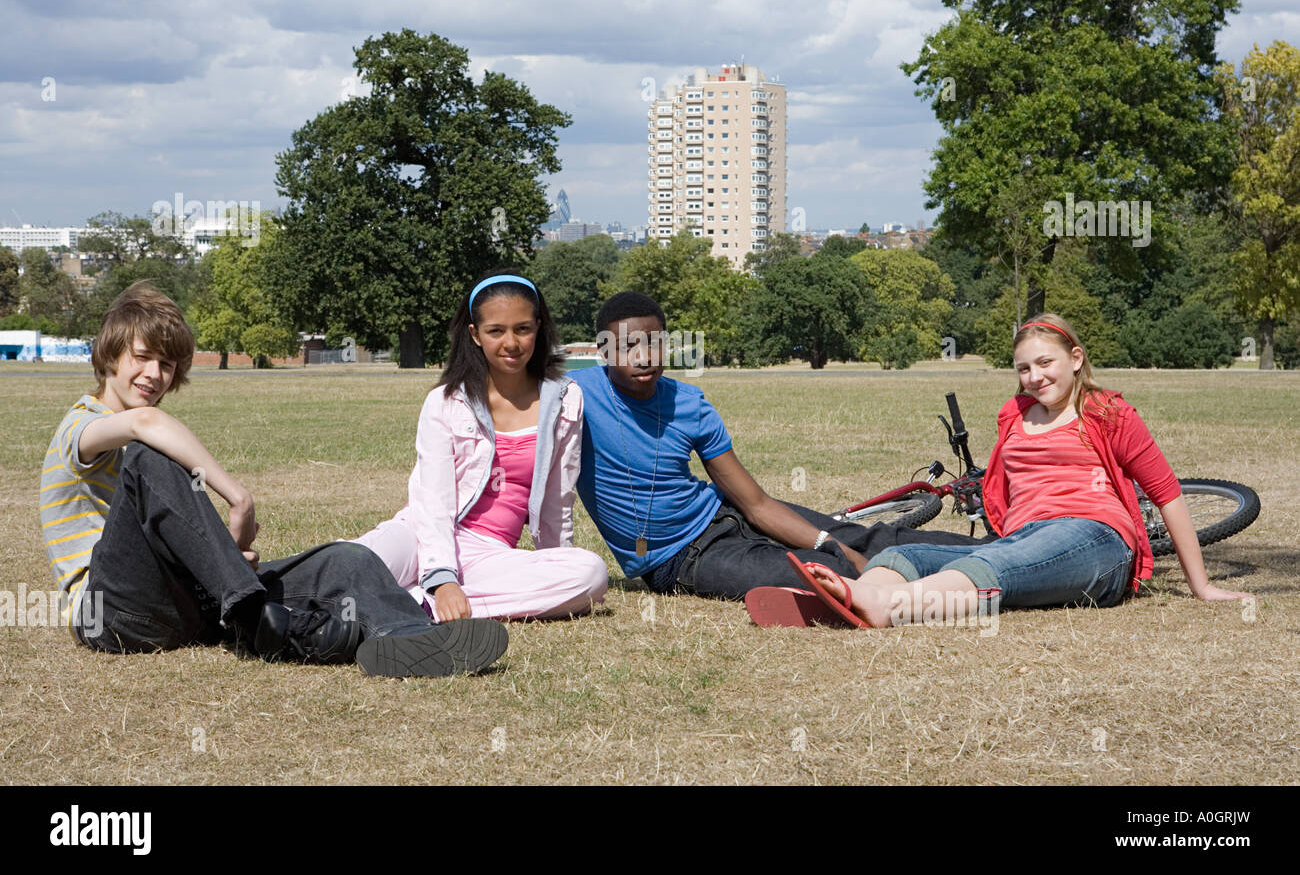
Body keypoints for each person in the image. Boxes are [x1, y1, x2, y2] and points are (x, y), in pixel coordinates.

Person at [40, 280, 508, 677]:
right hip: (111, 615)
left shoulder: (145, 428)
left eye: (166, 365)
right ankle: (258, 617)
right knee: (150, 457)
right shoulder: (80, 425)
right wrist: (239, 499)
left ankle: (412, 638)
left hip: (187, 607)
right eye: (142, 357)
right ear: (109, 354)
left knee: (347, 559)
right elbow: (145, 427)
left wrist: (223, 556)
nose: (155, 374)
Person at [778, 313, 1253, 627]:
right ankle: (860, 595)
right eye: (1024, 368)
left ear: (1076, 359)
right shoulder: (1014, 413)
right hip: (1027, 539)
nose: (1035, 376)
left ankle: (888, 607)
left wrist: (1202, 585)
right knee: (908, 556)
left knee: (990, 565)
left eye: (1045, 363)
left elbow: (1167, 493)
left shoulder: (1108, 413)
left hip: (1097, 540)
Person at [568, 291, 983, 601]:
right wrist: (832, 555)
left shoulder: (689, 404)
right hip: (681, 560)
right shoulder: (575, 394)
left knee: (869, 541)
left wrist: (832, 541)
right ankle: (932, 589)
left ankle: (1000, 554)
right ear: (603, 352)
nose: (643, 356)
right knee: (824, 572)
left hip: (728, 515)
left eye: (654, 342)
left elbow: (757, 504)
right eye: (628, 346)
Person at [355, 272, 608, 622]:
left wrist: (553, 566)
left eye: (523, 329)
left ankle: (417, 607)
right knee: (348, 567)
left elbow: (557, 498)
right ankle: (266, 603)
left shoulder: (566, 400)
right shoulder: (445, 402)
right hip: (422, 533)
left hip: (489, 556)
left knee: (590, 573)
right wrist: (442, 577)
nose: (511, 343)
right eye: (496, 331)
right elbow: (432, 499)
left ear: (539, 327)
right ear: (475, 334)